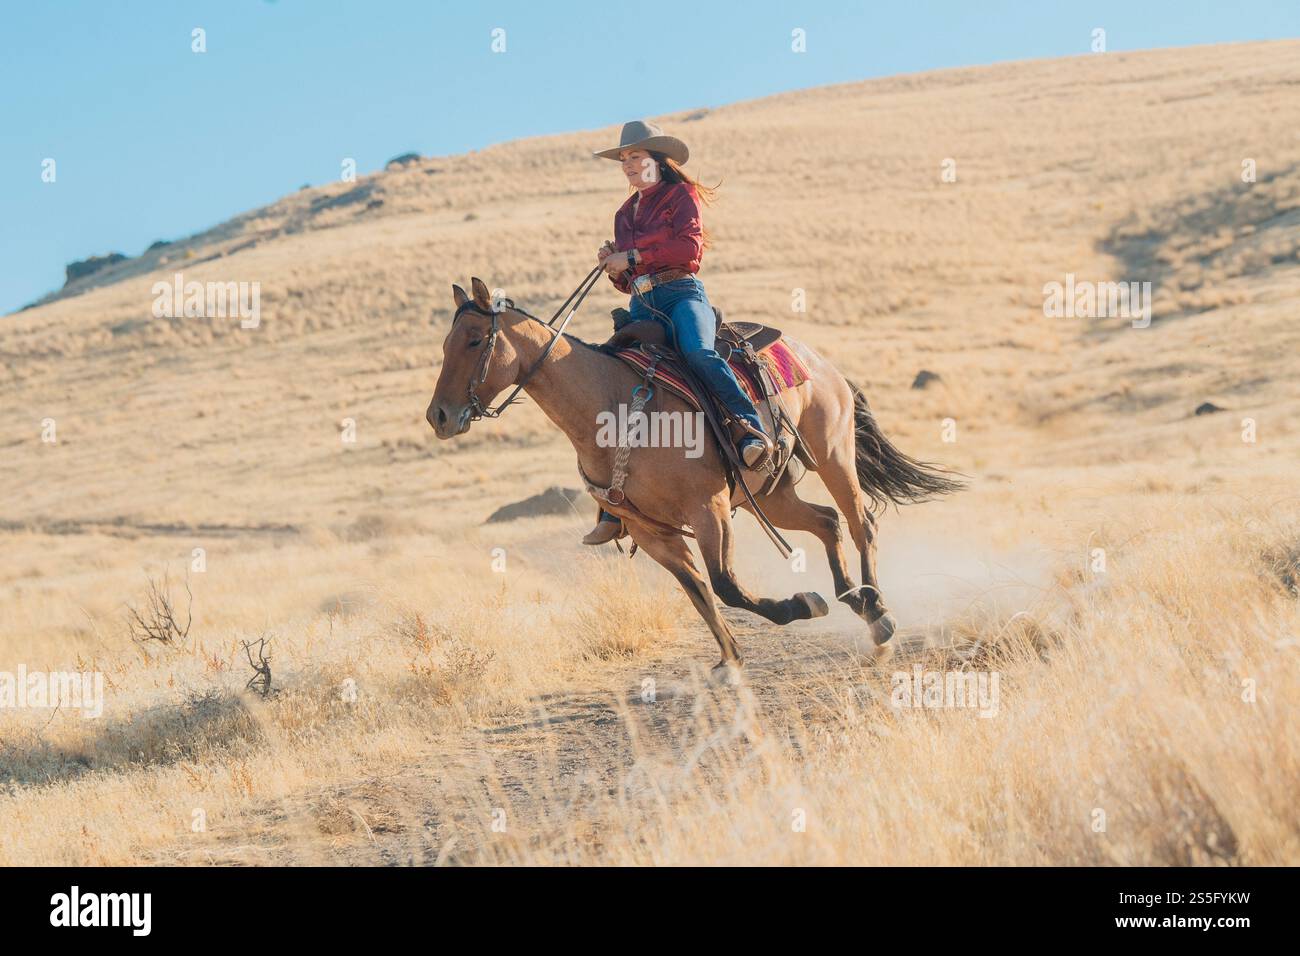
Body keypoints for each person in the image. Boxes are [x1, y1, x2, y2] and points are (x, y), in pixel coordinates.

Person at [582, 120, 771, 546]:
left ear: (656, 161)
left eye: (636, 157)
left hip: (681, 293)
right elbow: (628, 279)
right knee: (613, 379)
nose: (629, 165)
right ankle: (613, 504)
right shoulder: (623, 213)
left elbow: (688, 249)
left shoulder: (680, 196)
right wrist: (614, 264)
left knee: (699, 353)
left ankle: (747, 428)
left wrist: (632, 253)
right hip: (641, 303)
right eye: (624, 159)